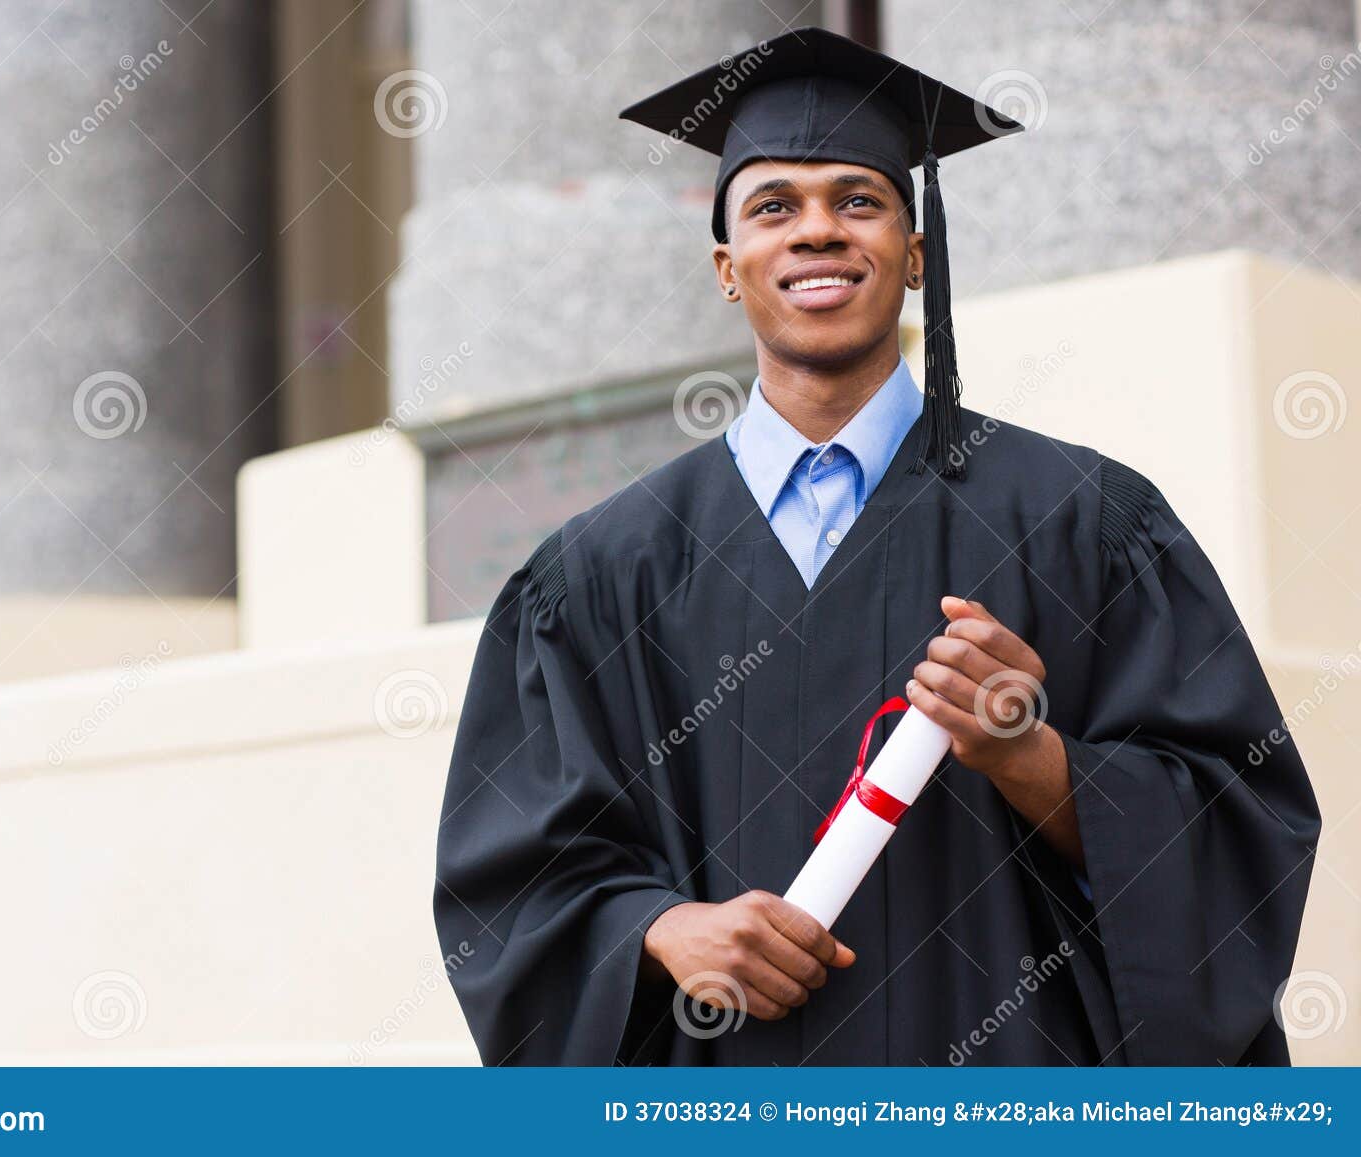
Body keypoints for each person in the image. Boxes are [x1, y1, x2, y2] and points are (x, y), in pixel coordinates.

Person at [432, 26, 1320, 1066]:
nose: (816, 231)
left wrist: (1031, 759)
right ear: (727, 267)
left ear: (914, 251)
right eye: (773, 207)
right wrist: (660, 930)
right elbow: (511, 887)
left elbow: (1240, 832)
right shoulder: (595, 577)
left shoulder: (1083, 519)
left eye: (858, 200)